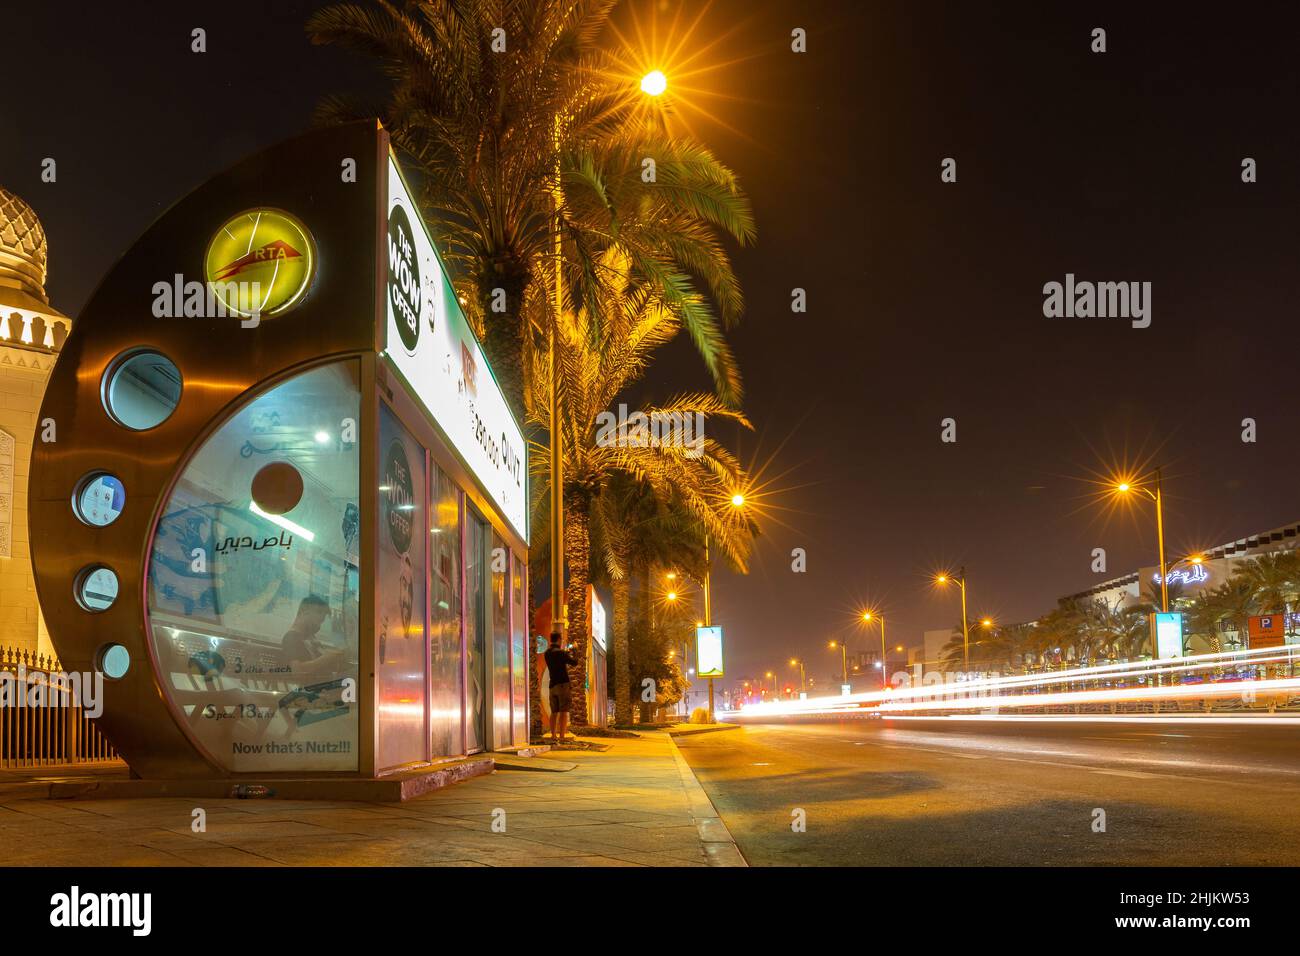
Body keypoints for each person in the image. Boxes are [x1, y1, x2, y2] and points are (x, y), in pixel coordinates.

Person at [282, 595, 344, 677]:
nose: (319, 626)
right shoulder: (291, 638)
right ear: (305, 613)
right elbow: (297, 671)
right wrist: (326, 659)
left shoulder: (311, 638)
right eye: (318, 621)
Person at [544, 631, 578, 744]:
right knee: (563, 711)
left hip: (552, 685)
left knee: (554, 712)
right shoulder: (561, 653)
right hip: (563, 685)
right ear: (559, 639)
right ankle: (562, 736)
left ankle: (553, 735)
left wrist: (566, 652)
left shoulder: (547, 653)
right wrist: (574, 650)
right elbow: (574, 662)